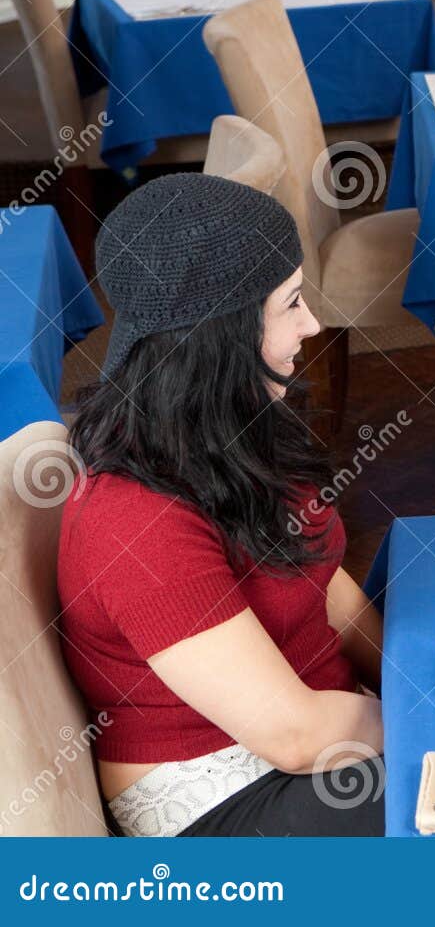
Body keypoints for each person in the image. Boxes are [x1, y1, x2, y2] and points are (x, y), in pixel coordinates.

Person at [58, 174, 385, 837]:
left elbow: (325, 586)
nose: (312, 323)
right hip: (223, 798)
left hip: (313, 730)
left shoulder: (232, 424)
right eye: (291, 303)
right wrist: (430, 716)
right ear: (224, 337)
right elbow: (292, 735)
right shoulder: (131, 521)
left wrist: (426, 679)